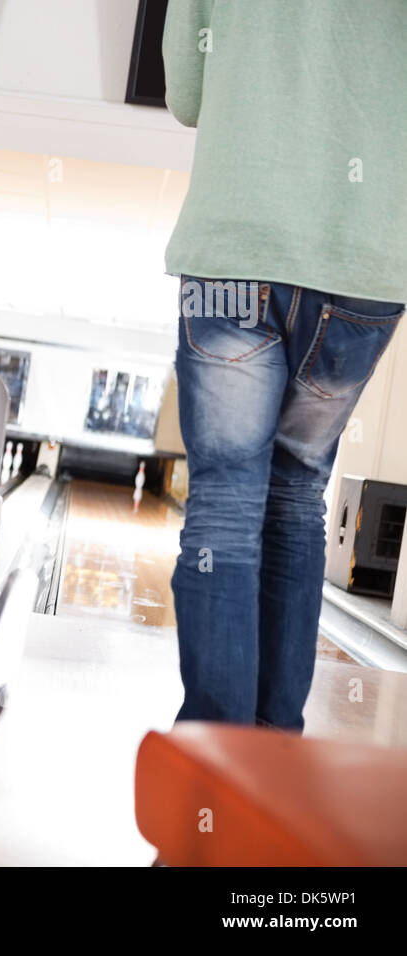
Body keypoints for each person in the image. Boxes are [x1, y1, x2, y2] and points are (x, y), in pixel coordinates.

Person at [163, 0, 406, 729]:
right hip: (368, 263)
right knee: (298, 495)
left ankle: (216, 753)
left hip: (238, 247)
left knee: (227, 502)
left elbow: (186, 97)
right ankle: (272, 752)